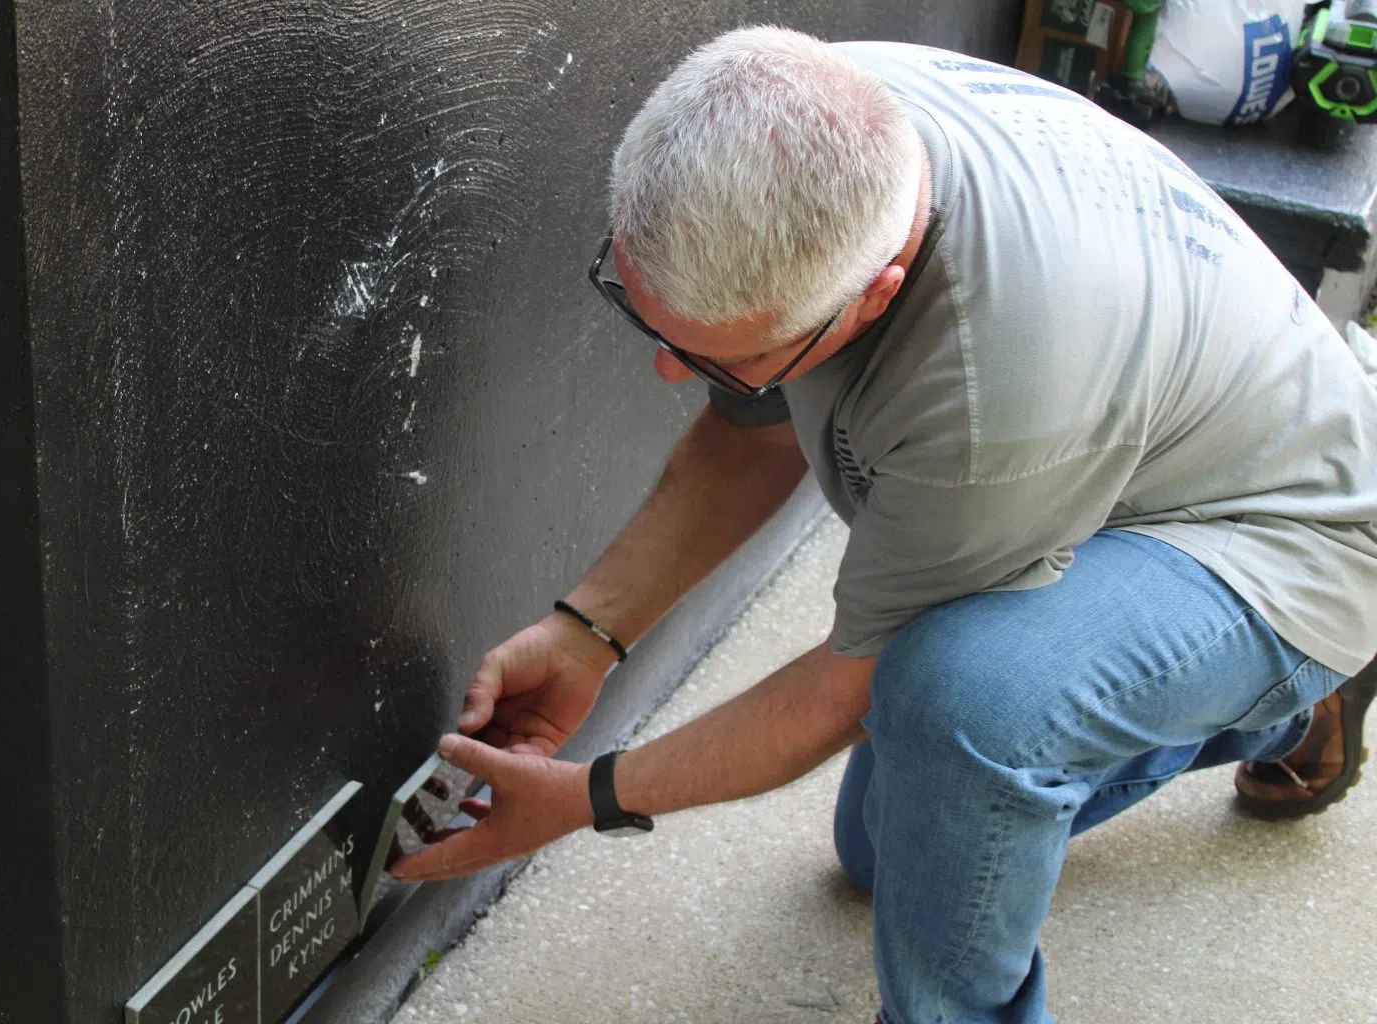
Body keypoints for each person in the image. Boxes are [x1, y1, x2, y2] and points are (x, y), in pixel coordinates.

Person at [391, 26, 1377, 1023]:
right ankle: (1254, 708)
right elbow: (754, 427)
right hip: (1124, 443)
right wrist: (586, 632)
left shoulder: (994, 393)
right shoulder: (815, 116)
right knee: (886, 849)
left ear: (878, 293)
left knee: (958, 707)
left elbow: (839, 693)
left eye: (722, 359)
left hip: (1278, 531)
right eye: (644, 315)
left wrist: (587, 797)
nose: (670, 374)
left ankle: (1288, 685)